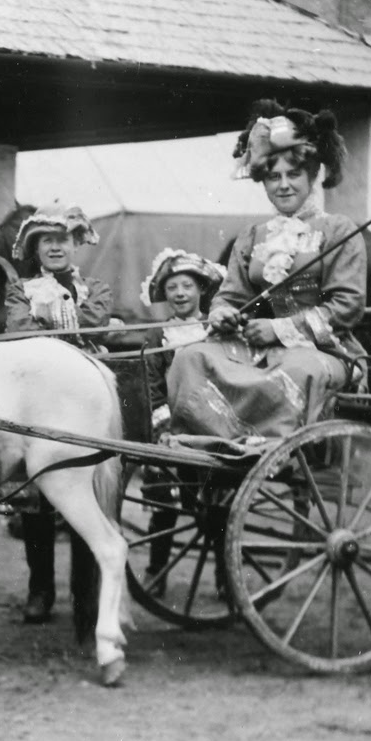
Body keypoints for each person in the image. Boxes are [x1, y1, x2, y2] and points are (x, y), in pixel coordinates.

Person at [167, 101, 367, 447]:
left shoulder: (338, 231)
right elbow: (231, 295)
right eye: (274, 177)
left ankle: (270, 448)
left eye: (293, 175)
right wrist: (222, 313)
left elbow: (347, 306)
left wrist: (278, 328)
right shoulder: (253, 236)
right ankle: (221, 443)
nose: (283, 185)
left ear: (313, 176)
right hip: (261, 349)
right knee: (190, 358)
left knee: (296, 370)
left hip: (326, 352)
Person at [3, 201, 113, 623]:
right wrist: (61, 329)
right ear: (35, 246)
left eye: (62, 239)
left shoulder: (96, 287)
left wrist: (48, 324)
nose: (55, 247)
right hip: (37, 396)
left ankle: (85, 597)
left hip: (83, 400)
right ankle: (40, 588)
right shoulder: (20, 290)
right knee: (38, 496)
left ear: (75, 243)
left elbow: (94, 321)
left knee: (85, 493)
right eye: (46, 240)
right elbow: (18, 331)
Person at [136, 248, 225, 594]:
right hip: (171, 428)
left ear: (201, 290)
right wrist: (164, 427)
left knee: (220, 505)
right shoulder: (158, 336)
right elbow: (152, 386)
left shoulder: (215, 331)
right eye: (172, 288)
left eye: (187, 285)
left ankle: (225, 577)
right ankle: (156, 571)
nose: (180, 293)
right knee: (164, 504)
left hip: (212, 428)